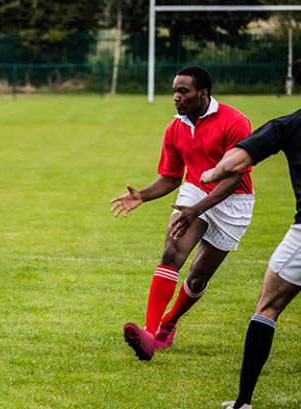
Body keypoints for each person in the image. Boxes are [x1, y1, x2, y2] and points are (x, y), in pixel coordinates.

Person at [109, 66, 255, 361]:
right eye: (174, 91)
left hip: (234, 202)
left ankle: (170, 322)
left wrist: (196, 211)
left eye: (183, 91)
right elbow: (172, 176)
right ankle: (149, 334)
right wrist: (143, 196)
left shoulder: (235, 121)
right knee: (172, 255)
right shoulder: (174, 128)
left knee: (198, 278)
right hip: (195, 190)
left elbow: (233, 178)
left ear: (202, 93)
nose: (176, 97)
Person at [204, 59, 301, 409]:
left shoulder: (288, 125)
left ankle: (243, 402)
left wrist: (211, 173)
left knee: (268, 306)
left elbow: (235, 163)